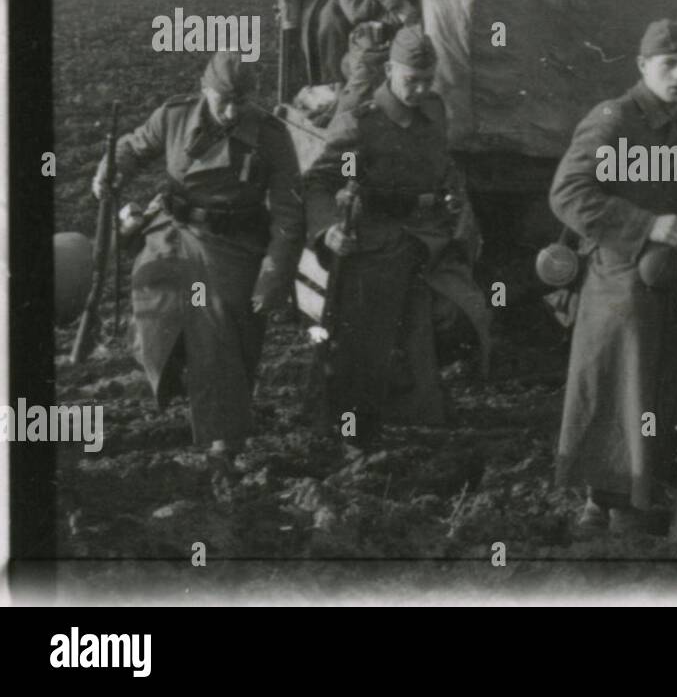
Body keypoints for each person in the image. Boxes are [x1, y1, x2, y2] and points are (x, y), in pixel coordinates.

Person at [91, 54, 303, 471]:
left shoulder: (270, 136)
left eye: (240, 103)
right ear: (204, 90)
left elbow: (289, 214)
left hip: (233, 244)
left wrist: (273, 273)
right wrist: (110, 171)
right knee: (152, 297)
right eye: (222, 100)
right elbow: (134, 146)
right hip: (172, 228)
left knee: (220, 329)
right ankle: (174, 369)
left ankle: (225, 439)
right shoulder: (174, 116)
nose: (230, 112)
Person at [302, 26, 490, 450]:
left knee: (458, 315)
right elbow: (322, 181)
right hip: (375, 240)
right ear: (389, 70)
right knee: (363, 343)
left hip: (429, 236)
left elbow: (442, 166)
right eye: (411, 80)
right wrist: (329, 228)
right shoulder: (360, 124)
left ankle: (414, 403)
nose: (420, 89)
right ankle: (354, 429)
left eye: (428, 79)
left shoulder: (434, 112)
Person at [549, 19, 677, 535]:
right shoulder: (614, 119)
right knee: (615, 387)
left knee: (652, 390)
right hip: (617, 277)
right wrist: (646, 225)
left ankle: (630, 499)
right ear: (642, 66)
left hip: (661, 279)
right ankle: (603, 503)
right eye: (669, 64)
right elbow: (568, 194)